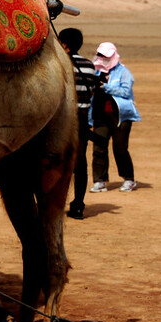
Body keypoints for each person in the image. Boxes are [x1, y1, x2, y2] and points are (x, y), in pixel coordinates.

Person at [89, 41, 140, 193]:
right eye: (100, 54)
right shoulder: (95, 71)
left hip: (120, 116)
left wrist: (105, 87)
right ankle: (99, 180)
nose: (101, 58)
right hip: (100, 115)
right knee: (99, 148)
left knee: (120, 148)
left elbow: (125, 91)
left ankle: (129, 179)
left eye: (105, 55)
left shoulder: (123, 72)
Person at [58, 28, 99, 219]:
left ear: (64, 45)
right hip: (82, 120)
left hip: (62, 120)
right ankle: (79, 204)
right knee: (80, 163)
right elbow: (91, 91)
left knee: (57, 163)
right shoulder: (89, 66)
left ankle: (54, 204)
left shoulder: (58, 64)